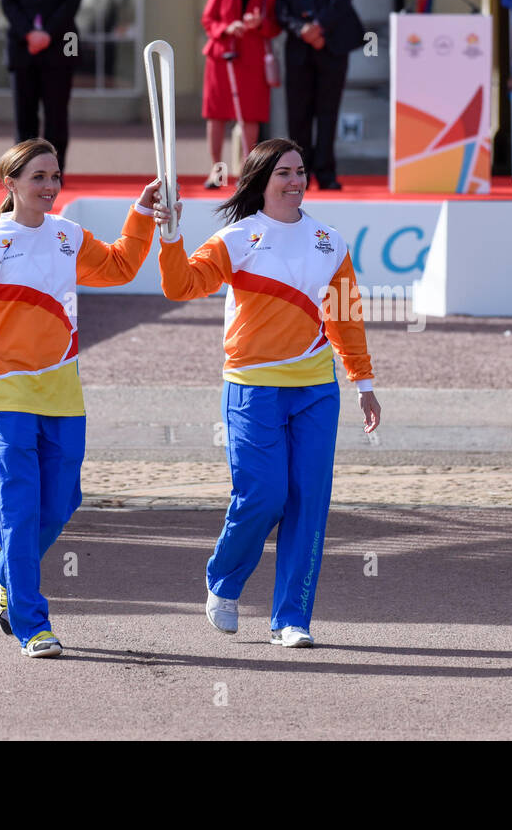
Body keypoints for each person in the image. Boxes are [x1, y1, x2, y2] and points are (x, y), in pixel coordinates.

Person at [155, 137, 381, 647]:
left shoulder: (329, 241)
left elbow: (345, 317)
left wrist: (363, 383)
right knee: (262, 496)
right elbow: (181, 286)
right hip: (253, 386)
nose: (296, 180)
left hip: (316, 389)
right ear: (261, 179)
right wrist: (169, 238)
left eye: (301, 170)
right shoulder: (238, 239)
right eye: (284, 172)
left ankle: (292, 618)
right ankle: (225, 580)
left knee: (308, 501)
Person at [0, 139, 158, 657]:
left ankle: (4, 572)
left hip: (63, 390)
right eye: (38, 176)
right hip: (7, 391)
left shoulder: (68, 236)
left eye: (55, 176)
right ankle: (33, 624)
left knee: (61, 503)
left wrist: (143, 211)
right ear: (11, 183)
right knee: (18, 511)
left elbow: (121, 266)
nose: (49, 186)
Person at [271, 0, 364, 190]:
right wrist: (304, 31)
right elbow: (282, 13)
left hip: (332, 47)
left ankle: (326, 173)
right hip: (299, 51)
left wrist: (319, 27)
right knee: (298, 115)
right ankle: (300, 174)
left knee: (327, 112)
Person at [0, 0, 83, 175]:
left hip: (59, 49)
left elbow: (71, 3)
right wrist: (29, 33)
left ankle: (56, 172)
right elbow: (7, 2)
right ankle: (23, 173)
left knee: (57, 116)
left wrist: (47, 34)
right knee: (24, 118)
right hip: (22, 51)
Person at [201, 0, 281, 187]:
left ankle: (247, 172)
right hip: (221, 58)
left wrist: (259, 24)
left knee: (250, 116)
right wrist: (226, 28)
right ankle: (217, 170)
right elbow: (208, 19)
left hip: (252, 60)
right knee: (216, 115)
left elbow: (276, 26)